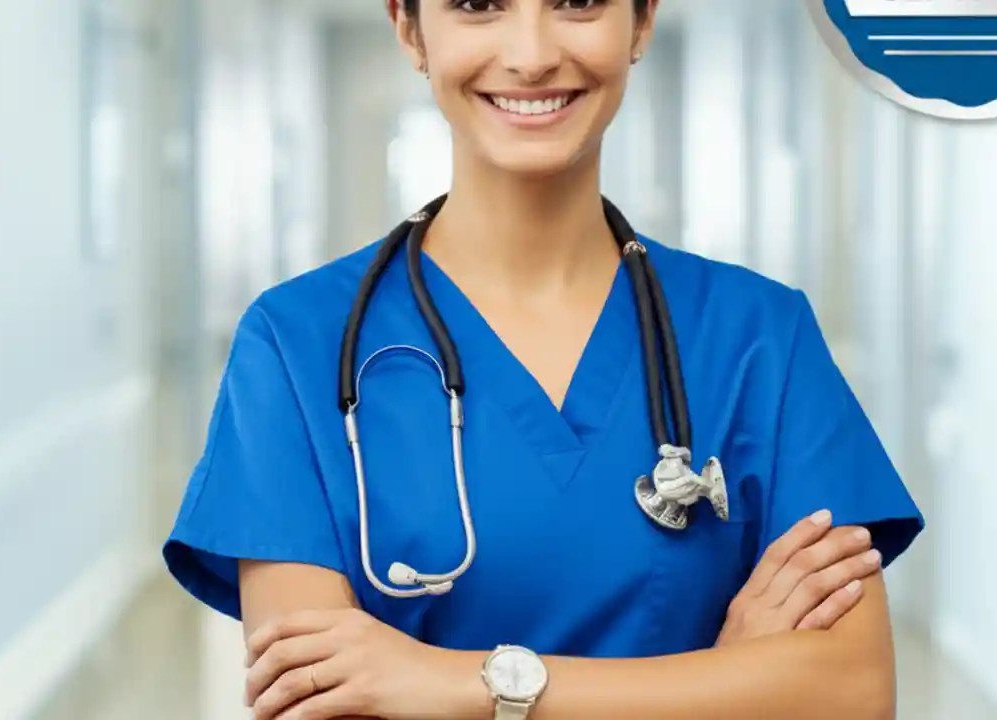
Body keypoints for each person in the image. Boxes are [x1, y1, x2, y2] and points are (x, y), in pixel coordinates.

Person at [162, 0, 925, 718]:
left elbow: (852, 690)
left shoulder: (760, 335)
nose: (531, 55)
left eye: (579, 0)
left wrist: (457, 681)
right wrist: (724, 683)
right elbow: (320, 705)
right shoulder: (297, 343)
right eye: (475, 3)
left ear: (642, 19)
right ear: (408, 26)